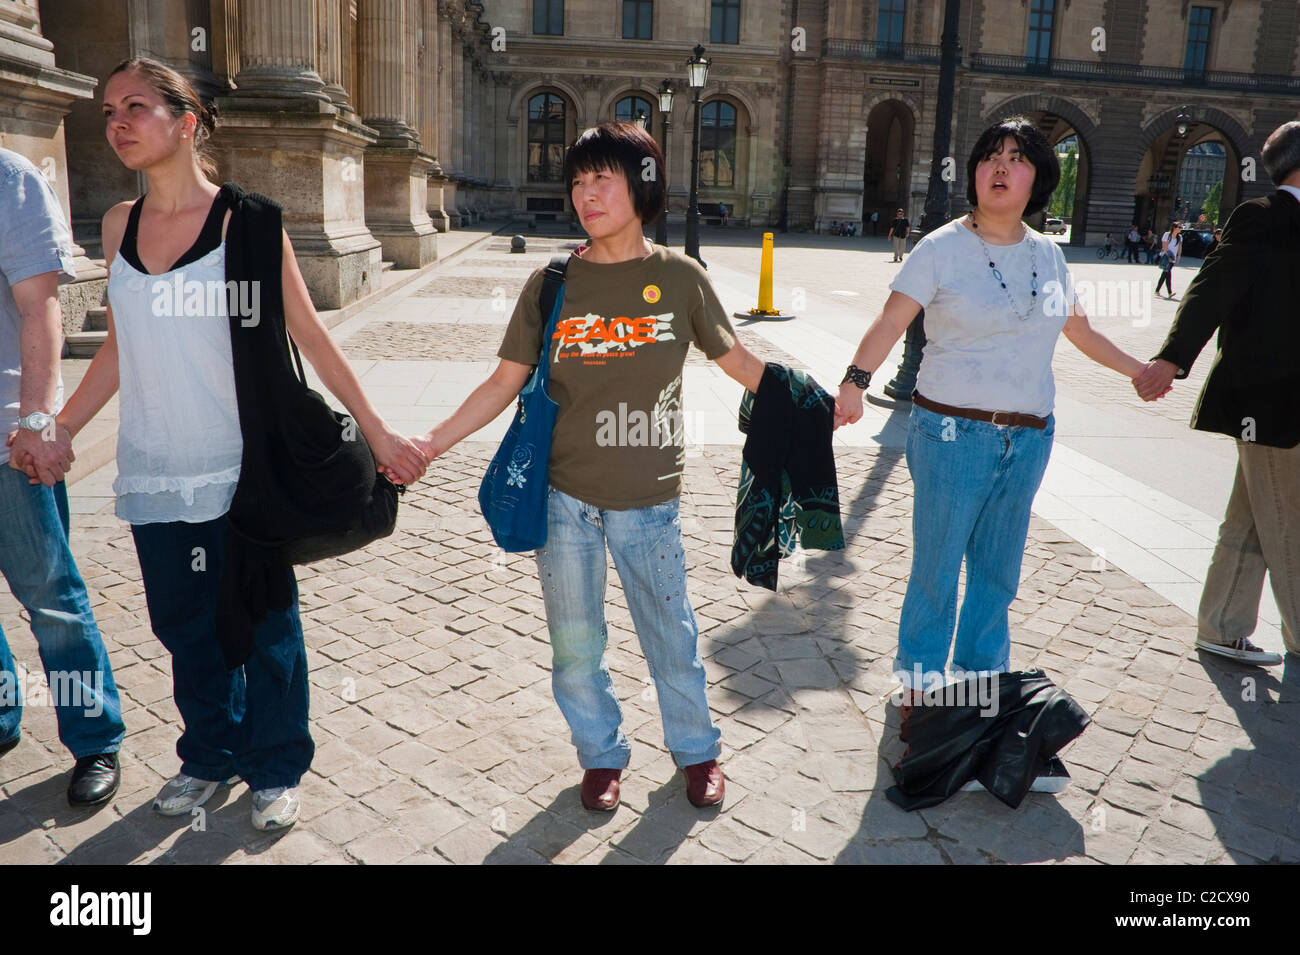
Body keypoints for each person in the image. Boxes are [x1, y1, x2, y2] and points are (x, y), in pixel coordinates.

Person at [57, 58, 425, 831]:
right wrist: (60, 430)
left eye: (136, 107)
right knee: (184, 624)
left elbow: (310, 335)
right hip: (156, 464)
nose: (117, 121)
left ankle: (276, 763)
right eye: (108, 111)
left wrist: (379, 430)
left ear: (187, 122)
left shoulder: (247, 222)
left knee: (263, 623)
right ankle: (208, 755)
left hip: (241, 467)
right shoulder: (119, 225)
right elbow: (120, 350)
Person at [413, 122, 765, 813]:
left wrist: (818, 403)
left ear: (643, 184)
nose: (586, 193)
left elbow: (742, 364)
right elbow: (500, 384)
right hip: (564, 497)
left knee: (673, 636)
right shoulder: (552, 284)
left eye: (603, 177)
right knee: (575, 645)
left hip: (649, 501)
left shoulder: (679, 278)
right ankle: (601, 755)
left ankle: (697, 751)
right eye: (577, 180)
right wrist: (428, 444)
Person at [833, 117, 1164, 734]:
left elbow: (1080, 332)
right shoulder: (941, 248)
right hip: (952, 433)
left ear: (1038, 178)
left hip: (1029, 435)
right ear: (975, 173)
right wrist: (855, 382)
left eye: (1016, 158)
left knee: (997, 570)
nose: (1001, 168)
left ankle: (982, 680)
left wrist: (1138, 371)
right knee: (938, 566)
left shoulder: (1048, 253)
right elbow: (888, 321)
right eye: (990, 157)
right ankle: (920, 683)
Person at [1135, 120, 1300, 667]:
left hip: (1279, 404)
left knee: (1254, 517)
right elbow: (1213, 288)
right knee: (1290, 521)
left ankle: (1222, 625)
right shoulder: (1263, 217)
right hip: (1272, 401)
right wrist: (1171, 358)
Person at [0, 147, 126, 807]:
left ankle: (94, 736)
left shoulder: (10, 180)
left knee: (51, 600)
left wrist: (41, 420)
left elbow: (40, 307)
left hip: (7, 443)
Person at [1156, 221, 1183, 297]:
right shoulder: (1167, 235)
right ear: (1174, 228)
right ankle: (1170, 292)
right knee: (1168, 274)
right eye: (1179, 227)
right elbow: (1164, 247)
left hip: (1173, 258)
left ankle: (1157, 290)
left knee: (1164, 274)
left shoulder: (1180, 237)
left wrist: (1178, 256)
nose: (1181, 229)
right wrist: (1168, 257)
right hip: (1166, 257)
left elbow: (1180, 247)